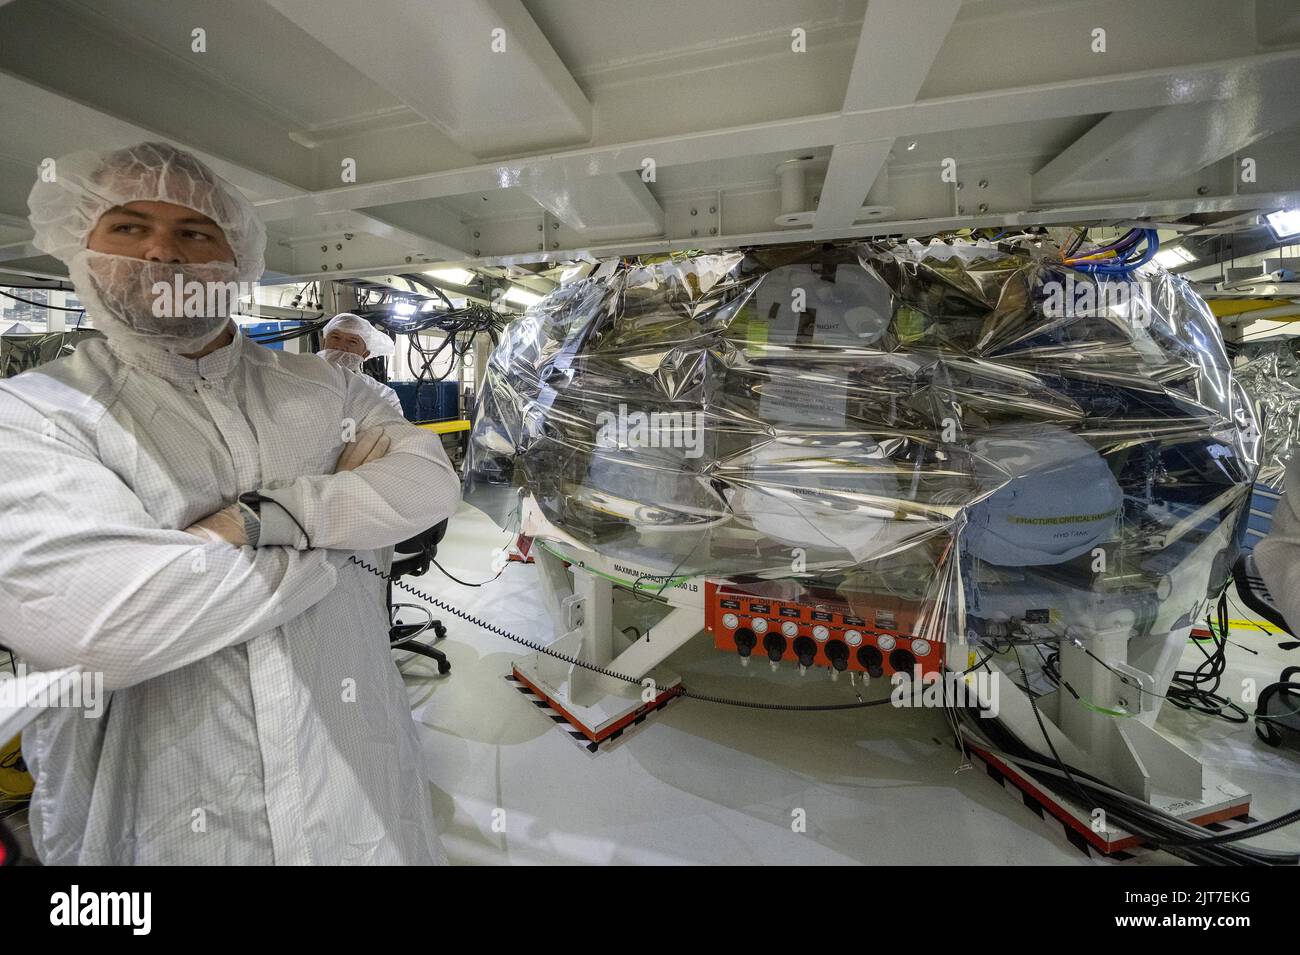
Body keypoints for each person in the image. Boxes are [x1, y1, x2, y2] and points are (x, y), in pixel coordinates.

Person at [0, 142, 461, 865]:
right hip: (156, 820)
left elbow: (429, 483)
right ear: (80, 247)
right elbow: (105, 628)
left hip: (350, 780)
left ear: (238, 256)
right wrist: (338, 538)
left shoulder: (331, 388)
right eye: (128, 227)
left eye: (194, 232)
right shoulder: (32, 412)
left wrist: (263, 520)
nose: (163, 252)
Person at [317, 312, 404, 414]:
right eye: (336, 337)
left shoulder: (381, 395)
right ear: (323, 343)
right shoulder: (302, 379)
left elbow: (393, 427)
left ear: (365, 354)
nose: (341, 346)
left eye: (352, 341)